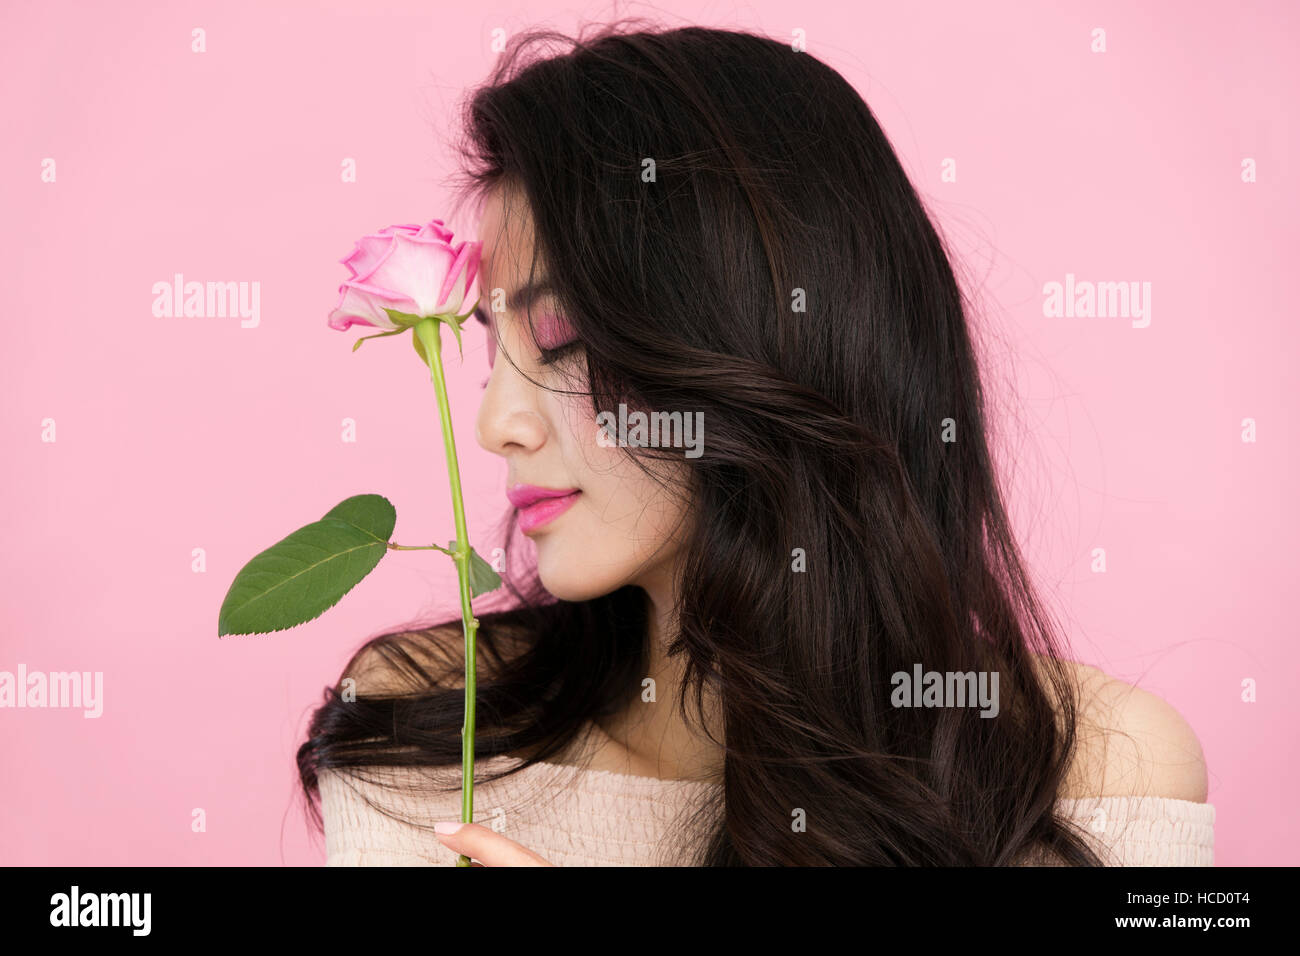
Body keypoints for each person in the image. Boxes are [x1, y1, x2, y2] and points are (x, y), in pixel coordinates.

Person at [297, 22, 1212, 866]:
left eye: (564, 334)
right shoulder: (427, 732)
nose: (498, 422)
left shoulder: (1104, 773)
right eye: (497, 347)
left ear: (756, 333)